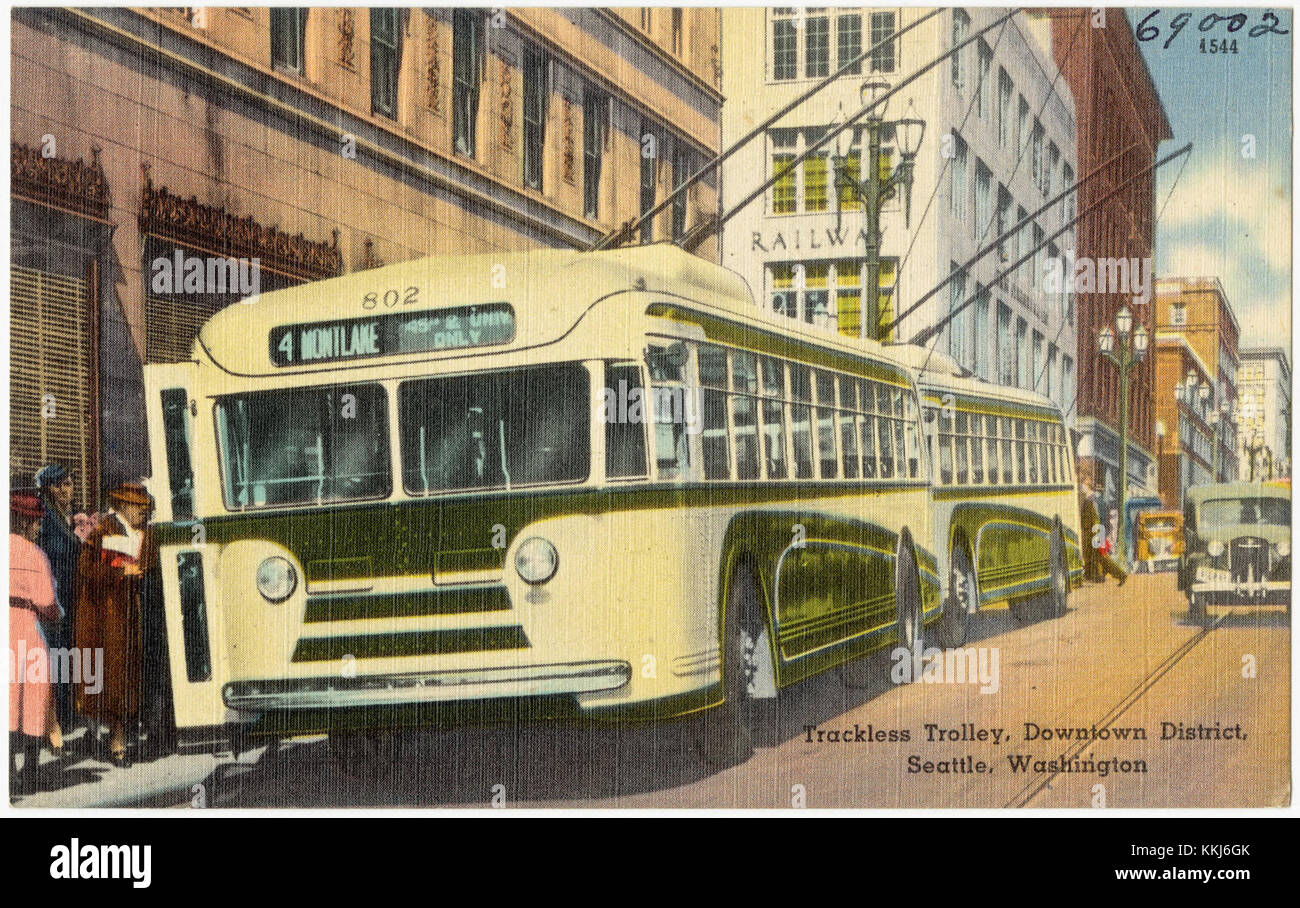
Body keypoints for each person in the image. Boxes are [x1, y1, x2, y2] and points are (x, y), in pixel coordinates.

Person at [75, 482, 157, 767]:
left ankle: (125, 736)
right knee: (113, 674)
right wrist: (119, 571)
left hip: (135, 611)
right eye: (139, 508)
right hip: (107, 614)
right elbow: (86, 568)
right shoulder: (104, 529)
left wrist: (140, 569)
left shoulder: (147, 533)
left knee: (131, 673)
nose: (144, 514)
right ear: (124, 505)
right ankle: (116, 741)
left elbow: (149, 563)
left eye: (146, 509)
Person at [10, 490, 60, 796]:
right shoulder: (35, 555)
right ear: (26, 522)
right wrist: (57, 615)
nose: (39, 528)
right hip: (27, 630)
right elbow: (46, 602)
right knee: (34, 702)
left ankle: (7, 774)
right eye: (36, 522)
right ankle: (30, 773)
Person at [34, 464, 82, 747]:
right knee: (54, 658)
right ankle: (52, 726)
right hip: (53, 600)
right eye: (61, 485)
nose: (68, 490)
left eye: (69, 483)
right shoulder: (45, 517)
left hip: (65, 598)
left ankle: (61, 722)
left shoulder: (60, 517)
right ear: (47, 489)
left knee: (62, 656)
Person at [1079, 478, 1127, 587]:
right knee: (1094, 555)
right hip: (1094, 531)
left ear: (1088, 487)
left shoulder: (1091, 500)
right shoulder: (1092, 498)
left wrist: (1097, 534)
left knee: (1102, 556)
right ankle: (1096, 576)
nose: (1081, 488)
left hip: (1095, 532)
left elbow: (1095, 517)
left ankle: (1121, 574)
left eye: (1083, 486)